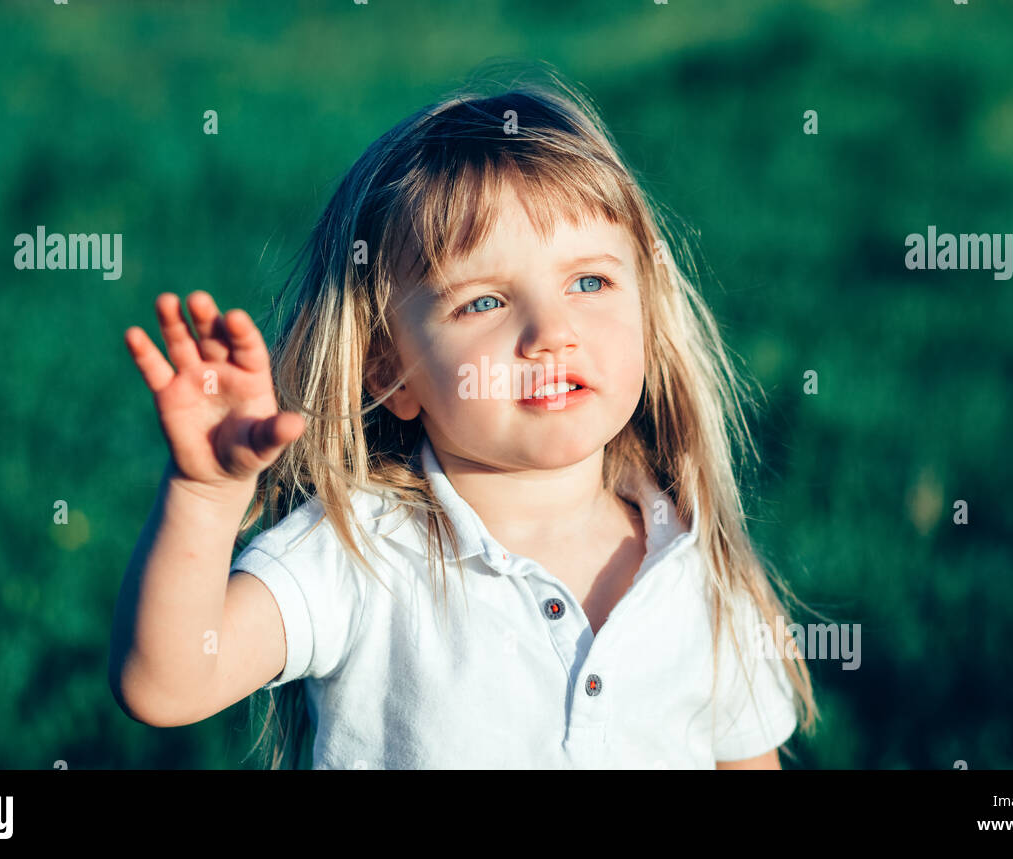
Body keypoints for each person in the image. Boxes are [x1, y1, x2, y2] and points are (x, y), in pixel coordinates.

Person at [109, 68, 818, 769]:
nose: (551, 331)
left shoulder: (695, 566)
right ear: (391, 372)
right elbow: (167, 683)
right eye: (483, 302)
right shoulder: (359, 554)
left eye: (589, 281)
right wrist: (204, 498)